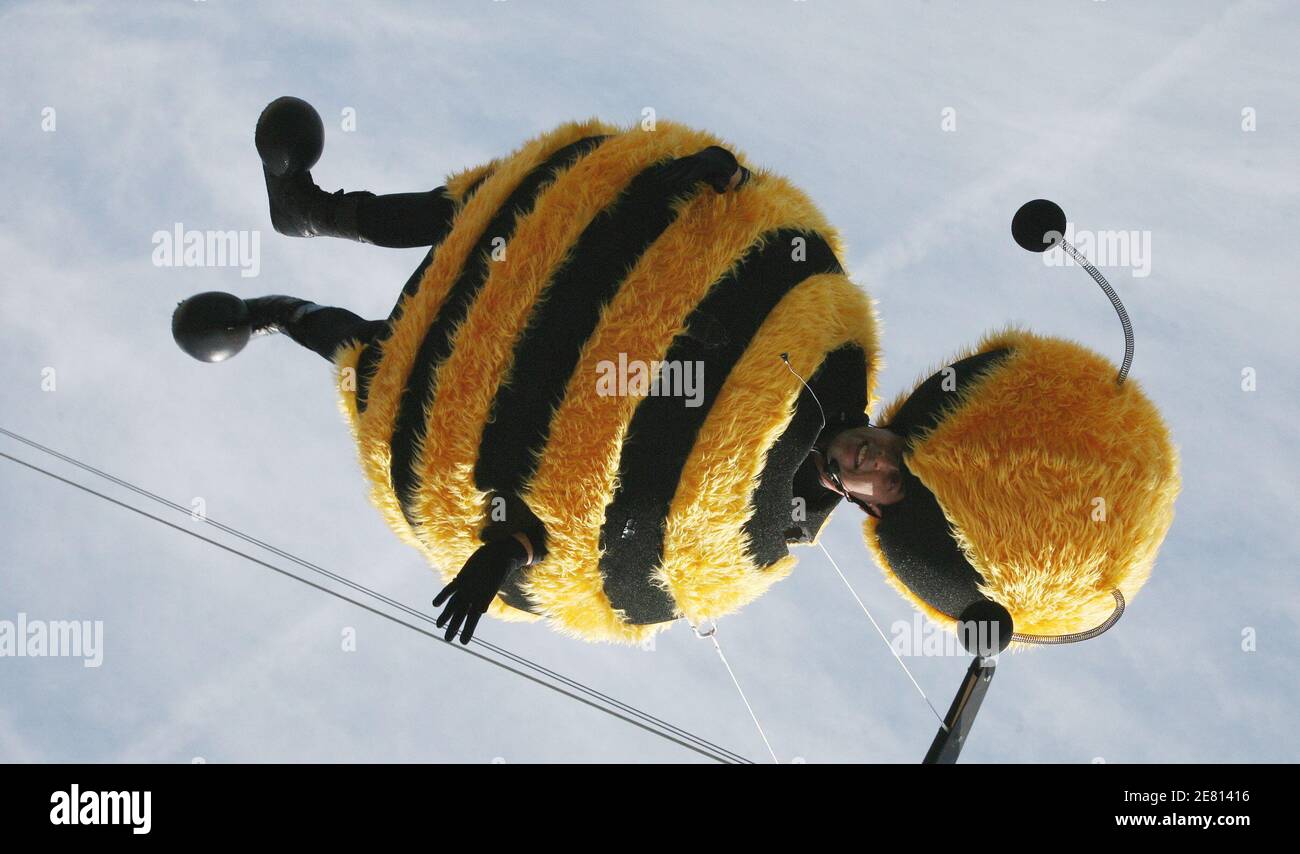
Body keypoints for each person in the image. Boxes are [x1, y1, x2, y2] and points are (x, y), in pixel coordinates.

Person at [173, 98, 898, 645]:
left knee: (381, 367)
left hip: (502, 412)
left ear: (866, 503)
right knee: (491, 212)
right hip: (591, 255)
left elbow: (628, 547)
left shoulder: (770, 528)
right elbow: (769, 235)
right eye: (893, 453)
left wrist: (506, 551)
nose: (876, 461)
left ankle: (272, 313)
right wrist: (721, 176)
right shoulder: (836, 352)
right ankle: (308, 212)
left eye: (885, 480)